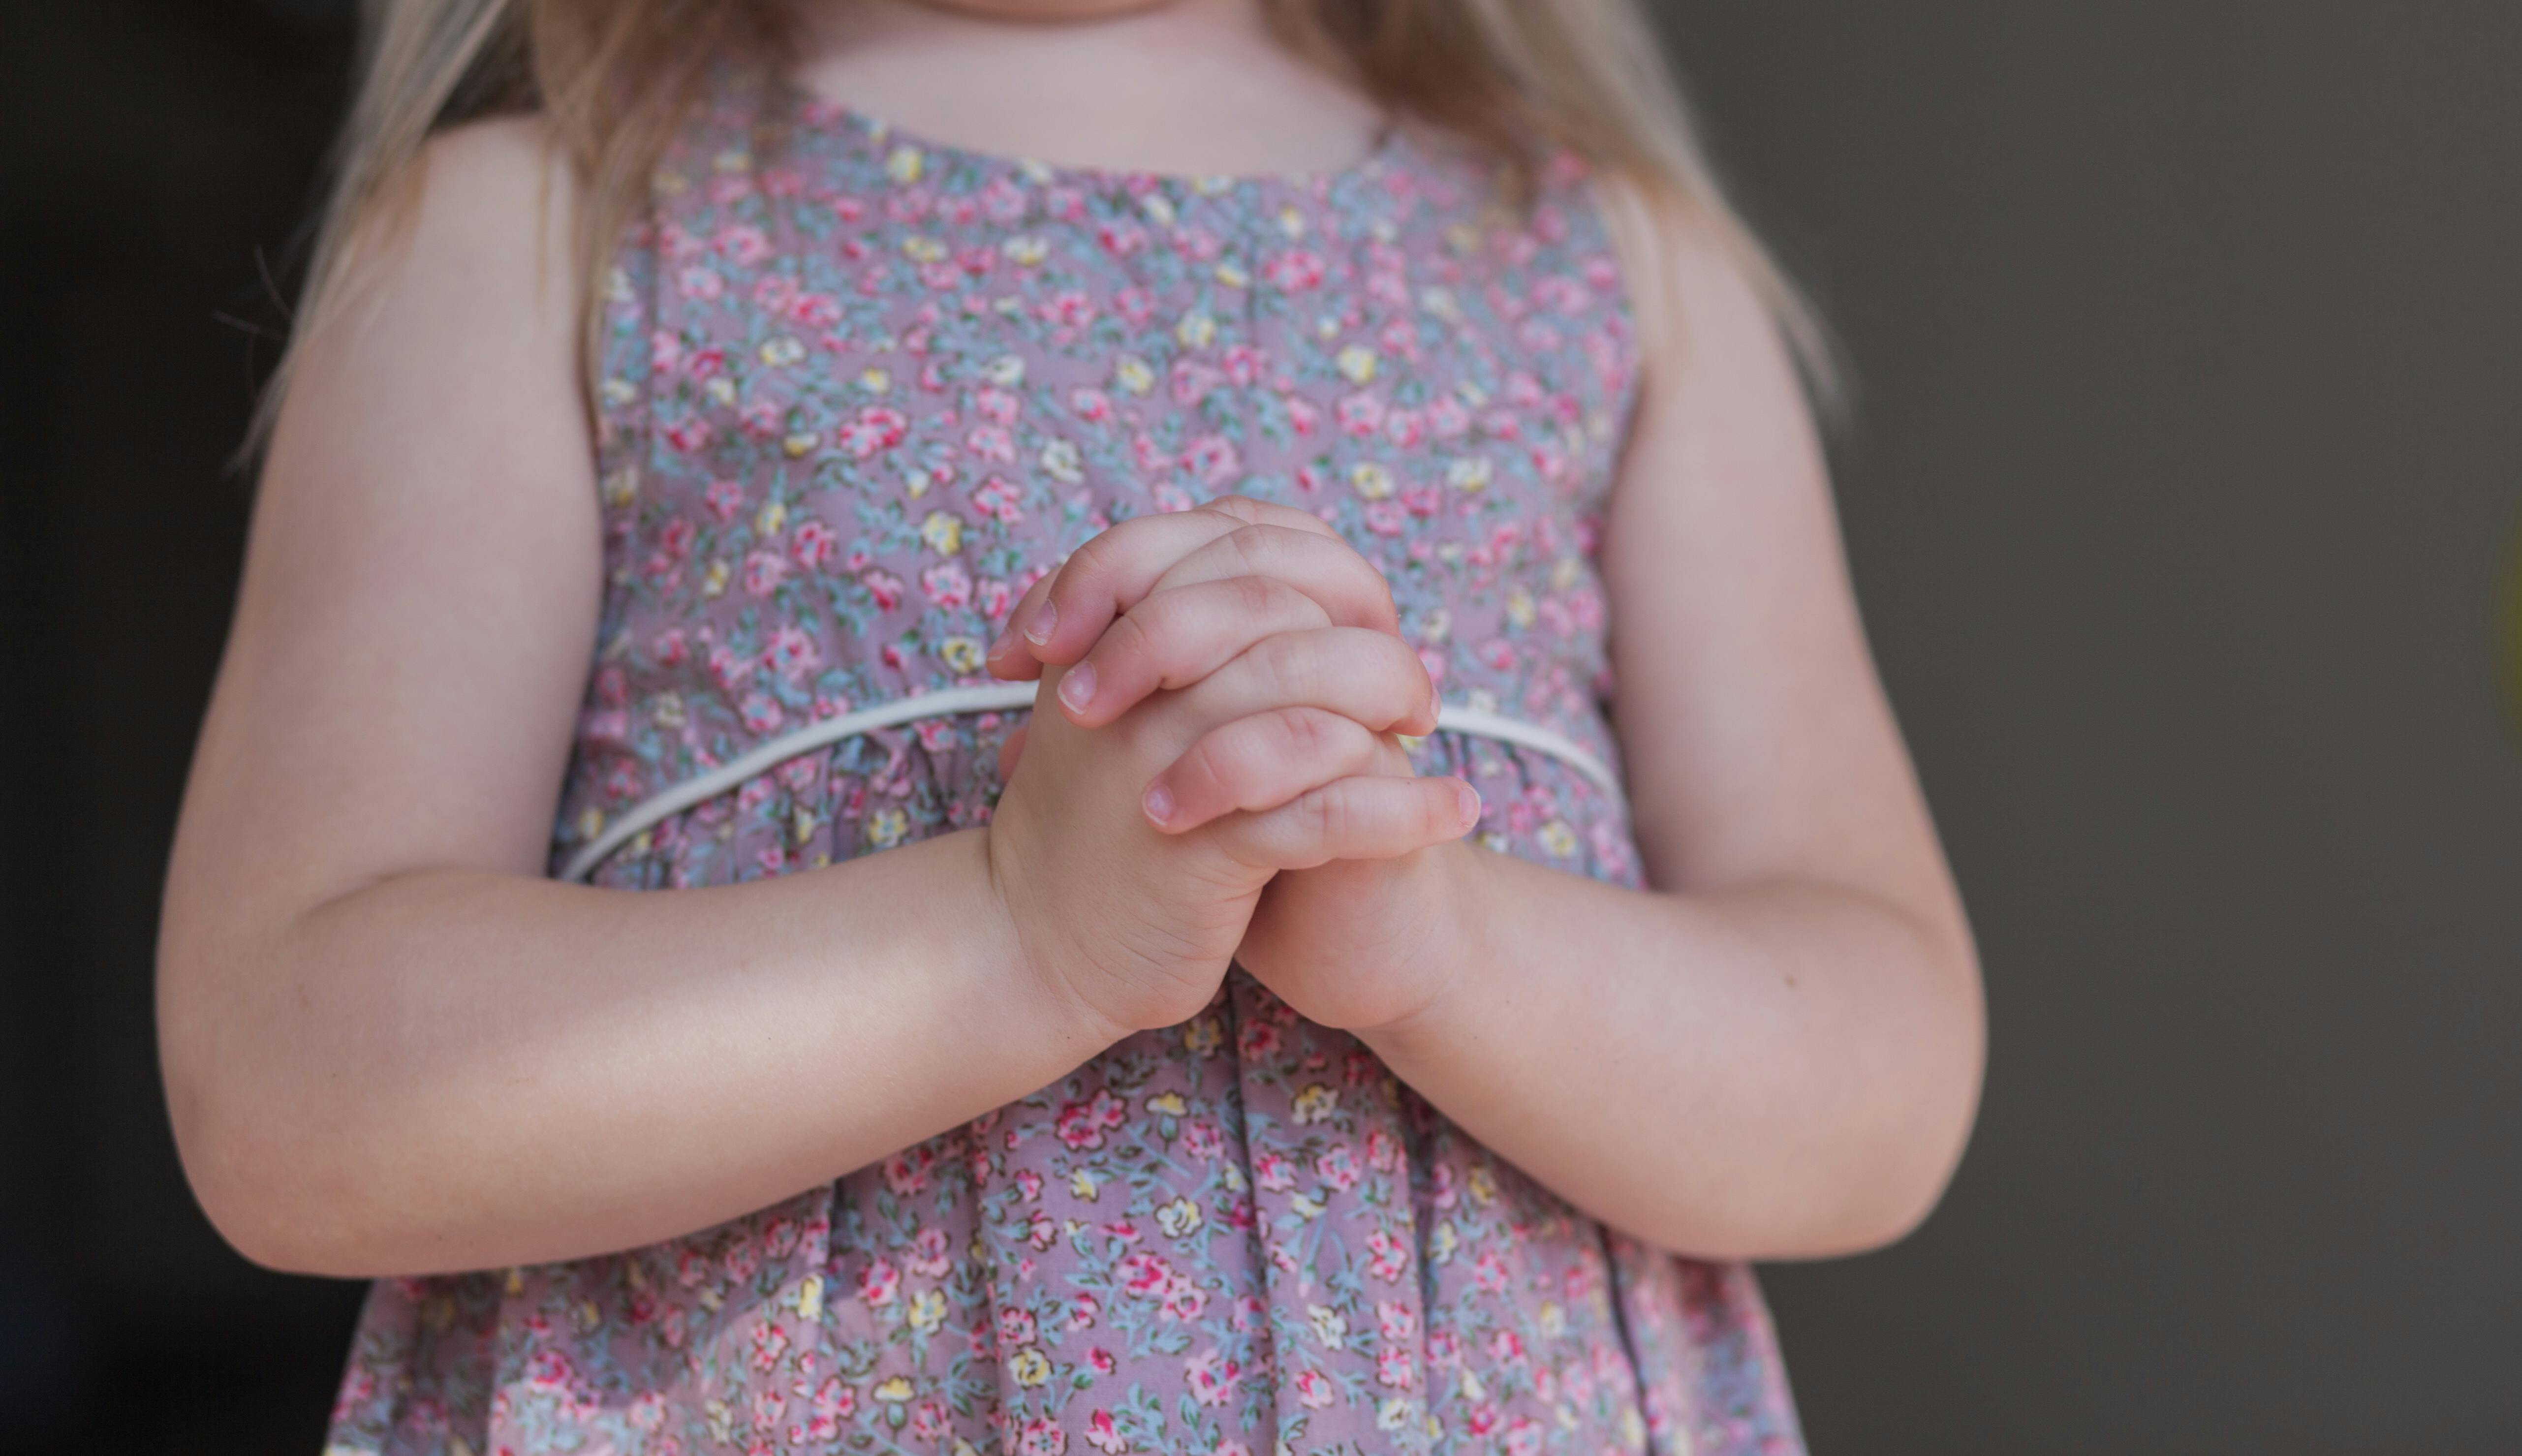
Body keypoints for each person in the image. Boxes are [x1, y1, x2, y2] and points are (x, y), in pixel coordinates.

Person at [156, 1, 1985, 1451]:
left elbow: (1877, 1082)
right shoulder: (538, 235)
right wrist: (1012, 939)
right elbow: (292, 1090)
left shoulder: (1613, 275)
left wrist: (1446, 954)